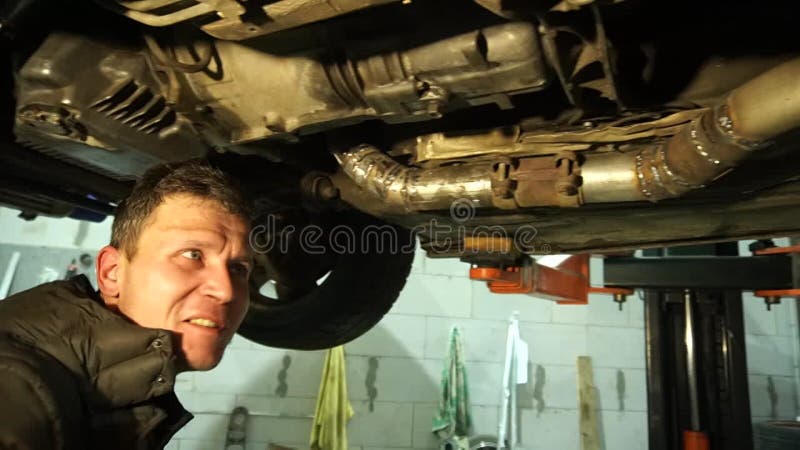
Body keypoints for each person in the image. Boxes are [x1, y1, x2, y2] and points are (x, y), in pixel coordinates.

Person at [0, 160, 254, 449]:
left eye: (238, 269)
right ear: (112, 272)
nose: (226, 291)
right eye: (193, 255)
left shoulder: (127, 397)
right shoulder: (17, 388)